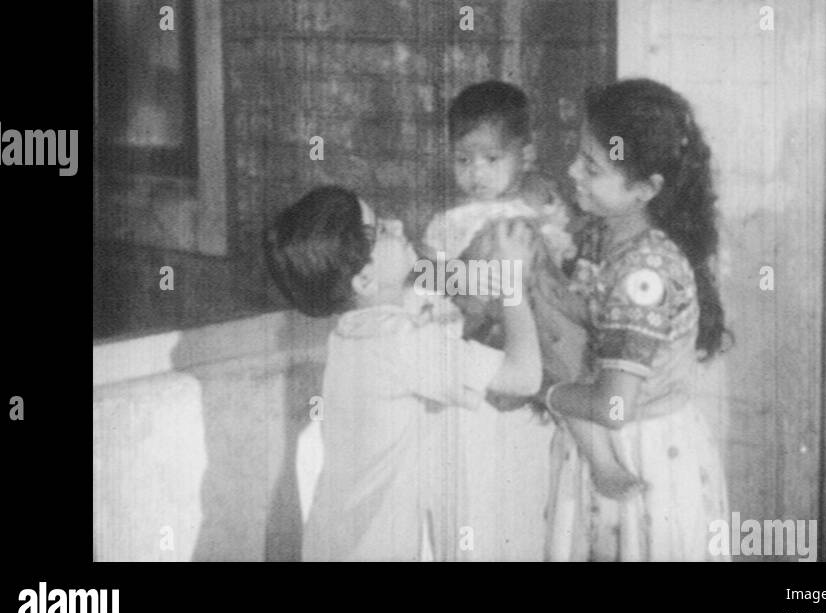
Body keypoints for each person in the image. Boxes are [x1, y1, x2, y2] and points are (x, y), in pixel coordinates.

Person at [263, 185, 541, 561]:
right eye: (379, 231)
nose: (396, 224)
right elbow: (524, 376)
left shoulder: (355, 328)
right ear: (362, 281)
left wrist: (458, 277)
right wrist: (513, 283)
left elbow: (411, 282)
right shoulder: (403, 344)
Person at [544, 79, 731, 561]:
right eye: (577, 156)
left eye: (591, 166)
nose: (571, 172)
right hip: (603, 449)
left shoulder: (645, 273)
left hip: (640, 458)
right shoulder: (599, 236)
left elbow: (612, 407)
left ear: (646, 190)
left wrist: (547, 392)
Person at [420, 81, 589, 559]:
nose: (475, 173)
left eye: (491, 159)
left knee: (532, 500)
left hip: (537, 369)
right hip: (480, 378)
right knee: (481, 503)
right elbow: (430, 289)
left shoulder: (543, 212)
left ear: (526, 155)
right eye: (463, 160)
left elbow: (565, 276)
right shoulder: (445, 224)